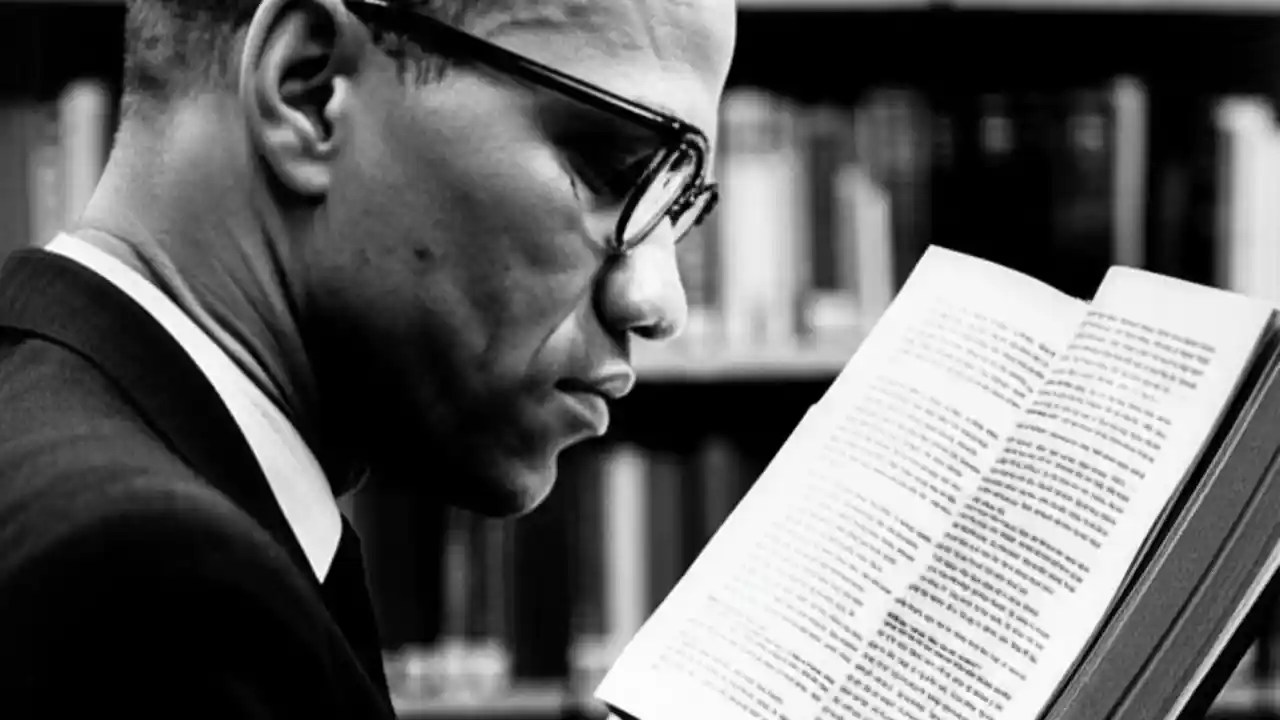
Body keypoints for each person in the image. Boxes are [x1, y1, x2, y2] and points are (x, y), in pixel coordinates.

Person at [0, 0, 735, 716]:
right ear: (310, 90)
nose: (659, 303)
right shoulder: (149, 592)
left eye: (679, 209)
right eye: (611, 170)